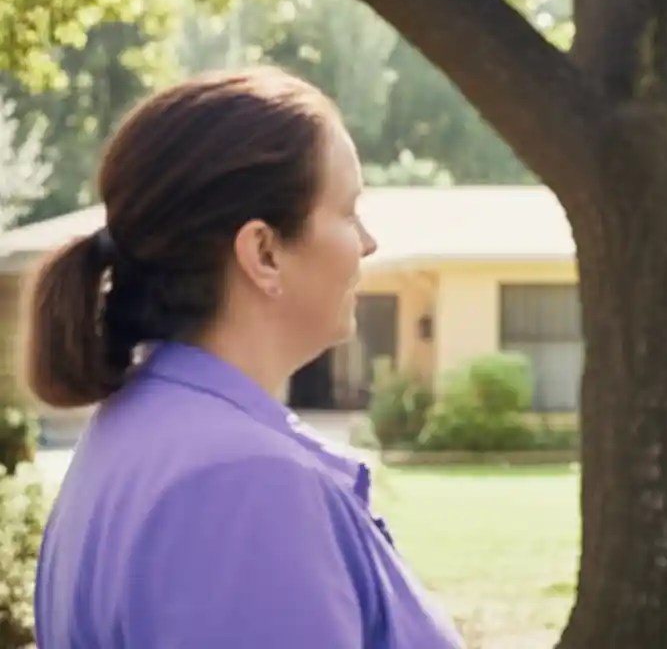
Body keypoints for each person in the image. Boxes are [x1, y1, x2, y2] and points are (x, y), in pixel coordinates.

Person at [26, 67, 463, 648]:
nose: (367, 242)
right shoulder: (243, 483)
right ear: (263, 252)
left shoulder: (146, 432)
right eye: (348, 211)